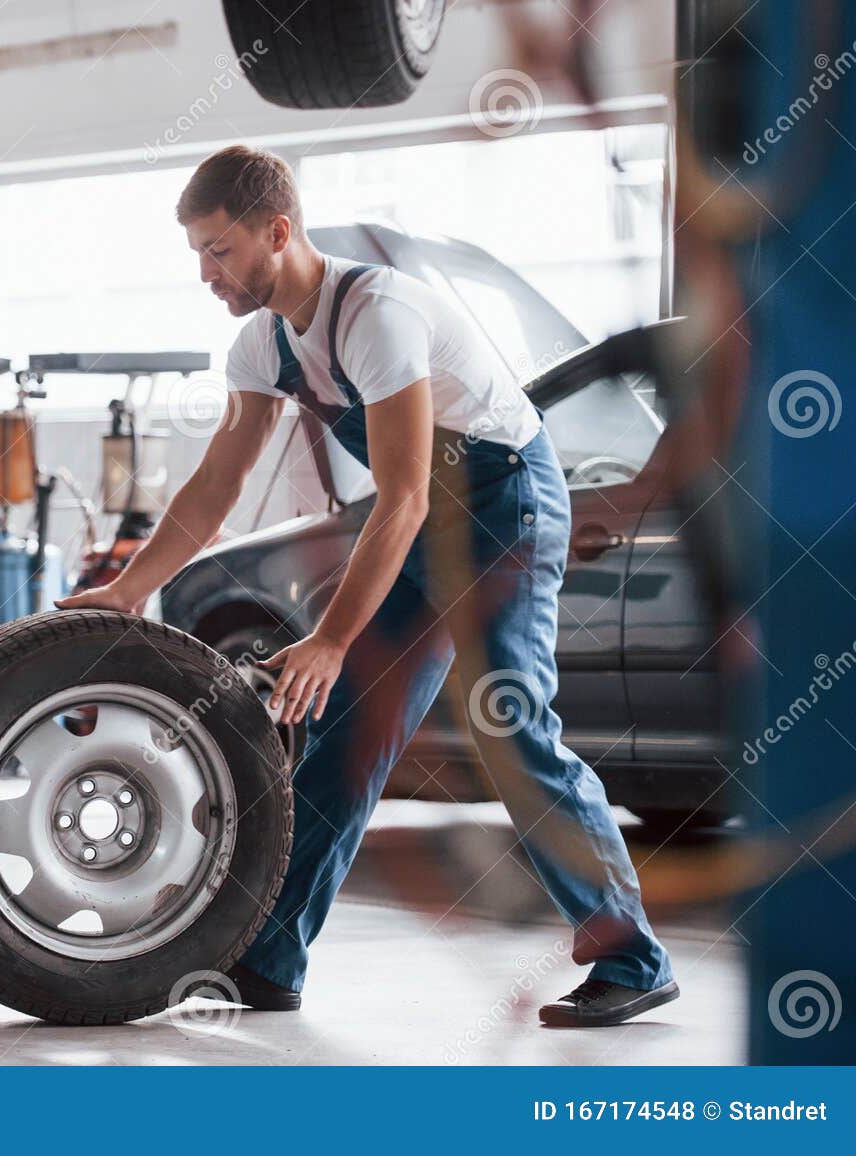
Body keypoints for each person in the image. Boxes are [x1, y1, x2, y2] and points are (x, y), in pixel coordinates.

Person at [56, 146, 677, 1028]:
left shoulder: (377, 313)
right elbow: (215, 489)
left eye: (220, 249)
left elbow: (407, 494)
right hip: (424, 520)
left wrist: (334, 637)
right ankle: (269, 964)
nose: (205, 272)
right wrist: (128, 589)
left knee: (511, 725)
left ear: (278, 231)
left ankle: (632, 958)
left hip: (508, 504)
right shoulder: (260, 343)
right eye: (195, 252)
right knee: (347, 737)